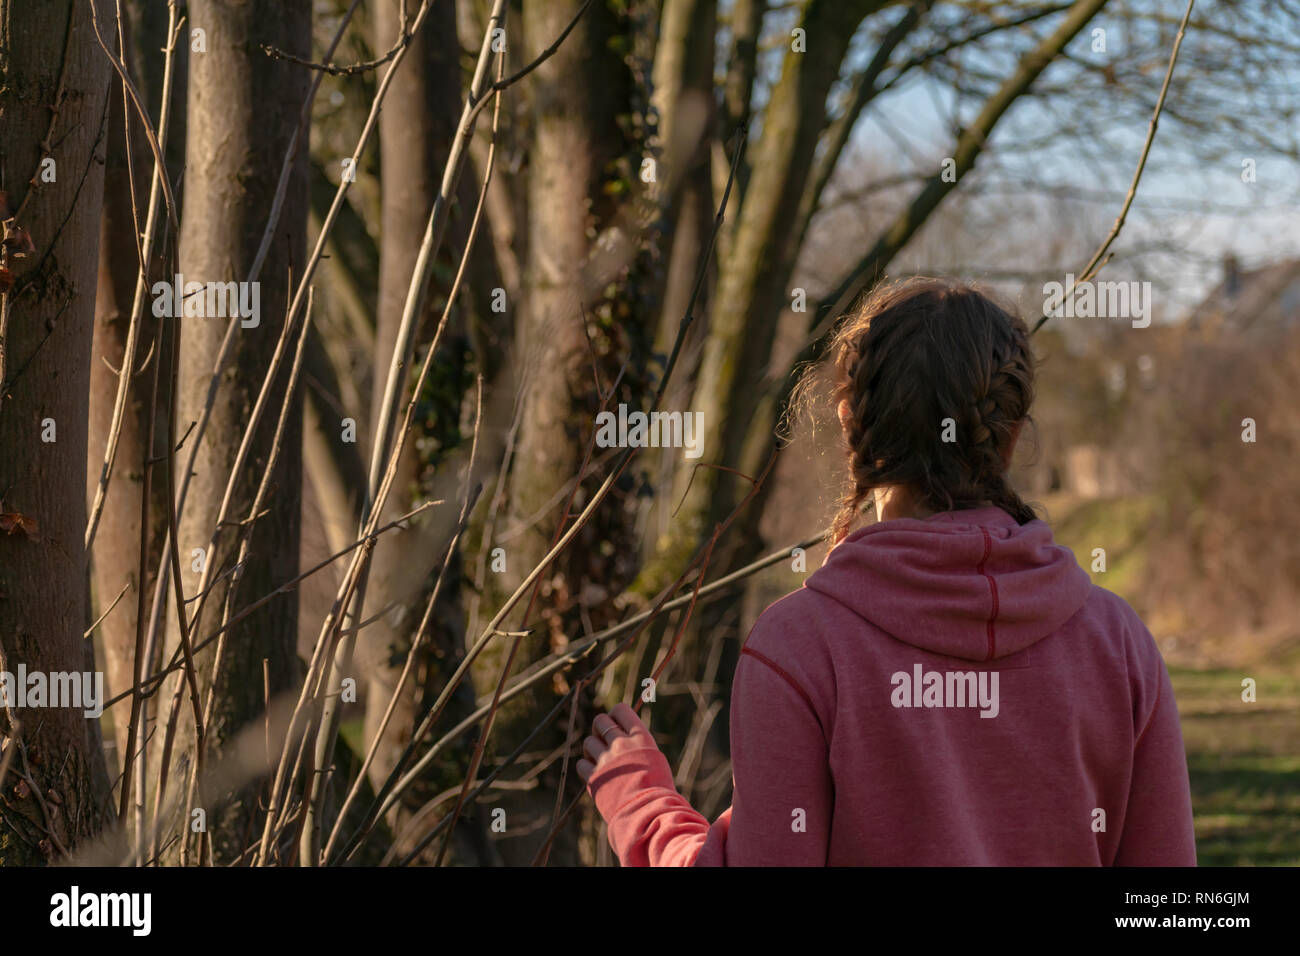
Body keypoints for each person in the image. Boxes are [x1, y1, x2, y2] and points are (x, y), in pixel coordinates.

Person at [576, 277, 1197, 866]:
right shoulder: (1119, 643)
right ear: (1009, 440)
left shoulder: (800, 647)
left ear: (850, 425)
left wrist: (640, 804)